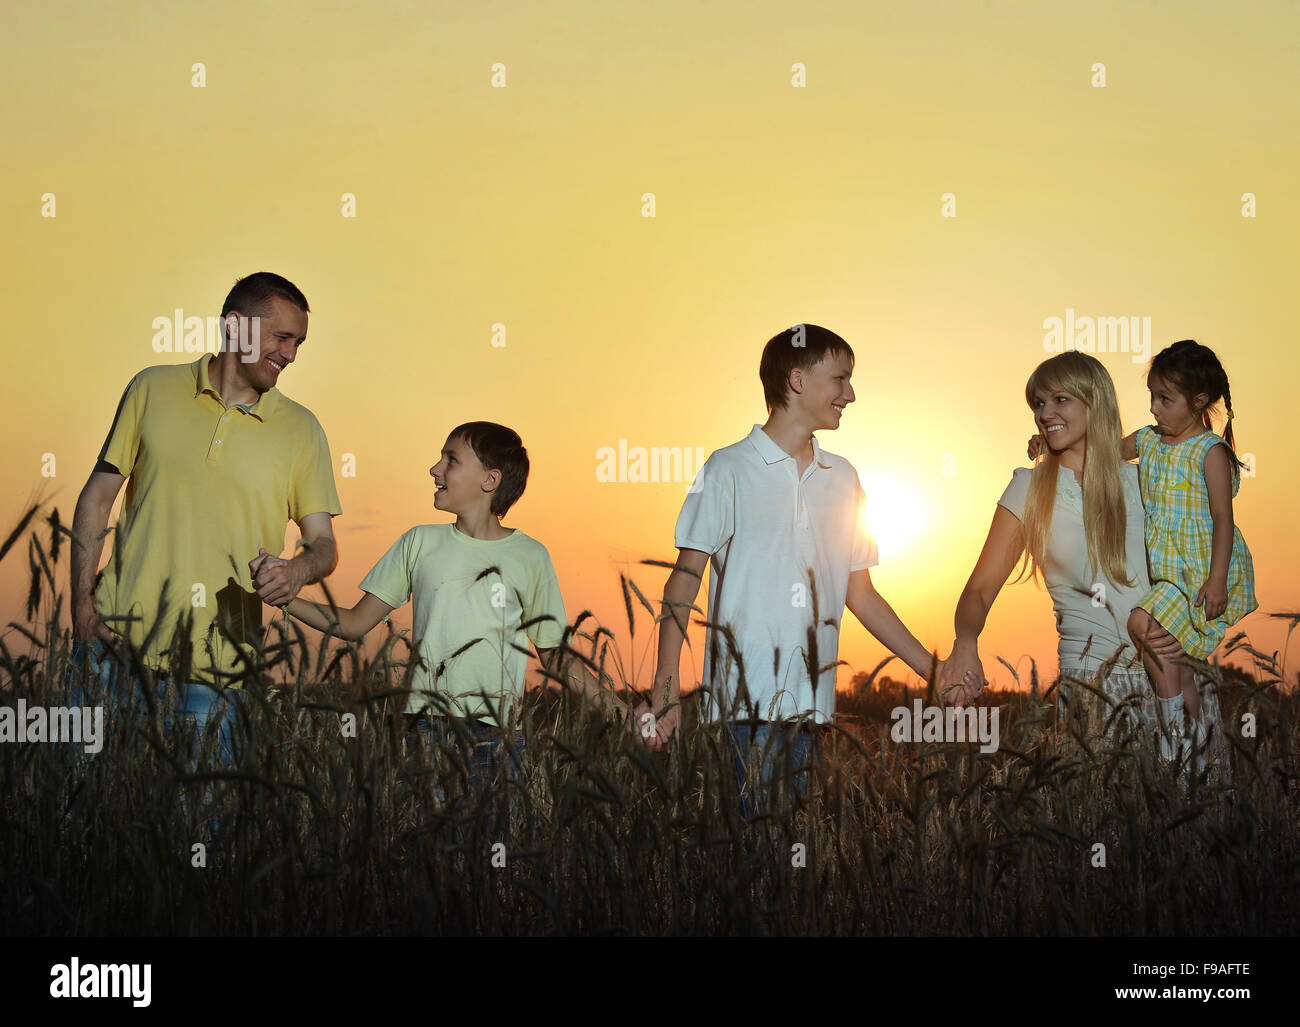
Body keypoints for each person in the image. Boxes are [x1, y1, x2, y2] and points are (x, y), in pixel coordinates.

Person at [639, 324, 939, 818]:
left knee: (793, 859)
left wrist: (934, 671)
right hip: (746, 707)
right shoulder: (727, 468)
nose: (851, 394)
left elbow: (860, 593)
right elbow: (684, 578)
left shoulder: (844, 477)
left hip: (810, 710)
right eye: (840, 379)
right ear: (797, 380)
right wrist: (665, 688)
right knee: (762, 856)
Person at [257, 422, 624, 794]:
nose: (435, 469)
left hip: (498, 735)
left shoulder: (531, 557)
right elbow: (353, 624)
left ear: (490, 480)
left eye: (451, 460)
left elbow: (556, 656)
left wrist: (620, 713)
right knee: (432, 850)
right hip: (426, 730)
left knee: (493, 847)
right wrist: (286, 597)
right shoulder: (419, 543)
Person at [69, 272, 342, 764]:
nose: (291, 354)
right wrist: (82, 609)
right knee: (77, 819)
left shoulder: (302, 430)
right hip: (113, 648)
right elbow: (96, 498)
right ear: (235, 327)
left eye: (299, 342)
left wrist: (297, 570)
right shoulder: (152, 387)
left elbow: (323, 544)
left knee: (202, 831)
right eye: (283, 337)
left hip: (223, 670)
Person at [940, 352, 1182, 738]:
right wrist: (966, 641)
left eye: (1060, 399)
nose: (1044, 412)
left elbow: (1194, 556)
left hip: (1178, 674)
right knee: (1104, 798)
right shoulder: (1030, 489)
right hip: (1094, 683)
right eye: (1038, 403)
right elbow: (980, 589)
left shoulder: (1147, 478)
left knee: (1201, 797)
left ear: (1095, 401)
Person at [1126, 340, 1256, 762]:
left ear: (1199, 401)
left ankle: (1171, 735)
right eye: (1151, 396)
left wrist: (1217, 580)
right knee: (1178, 667)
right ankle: (1195, 755)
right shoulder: (1148, 441)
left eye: (1165, 398)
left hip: (1198, 575)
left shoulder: (1210, 452)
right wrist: (1046, 442)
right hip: (1167, 573)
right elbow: (1100, 450)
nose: (1153, 408)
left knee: (1142, 622)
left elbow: (1223, 517)